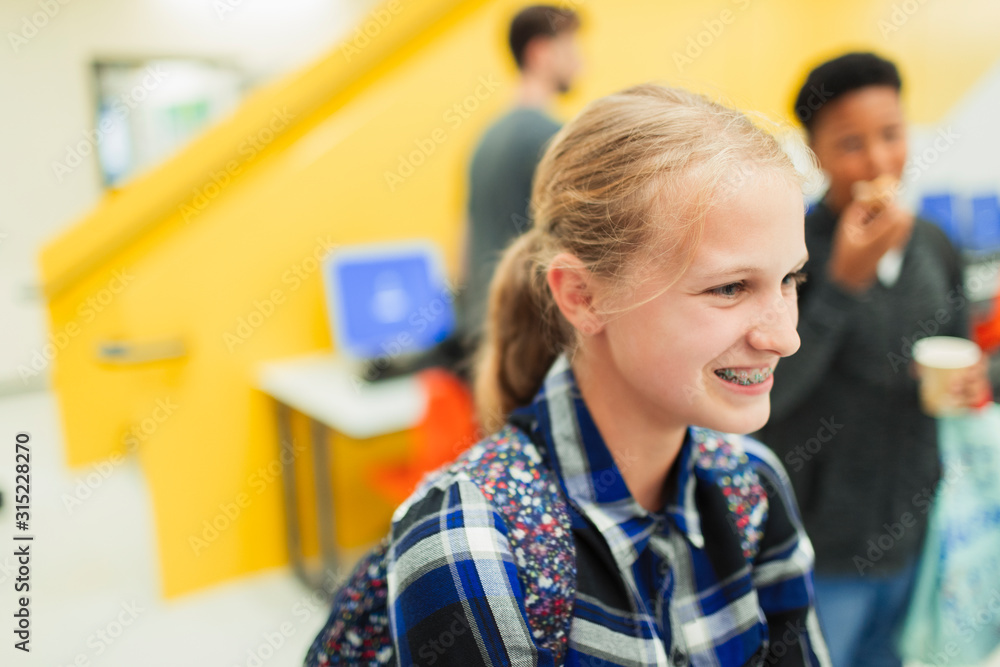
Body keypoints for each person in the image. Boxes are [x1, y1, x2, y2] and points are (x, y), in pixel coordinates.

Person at [387, 84, 830, 665]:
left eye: (790, 280)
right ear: (582, 296)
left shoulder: (753, 487)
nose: (784, 336)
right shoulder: (469, 542)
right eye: (729, 287)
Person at [757, 52, 996, 667]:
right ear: (815, 154)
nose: (880, 160)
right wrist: (840, 285)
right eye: (851, 144)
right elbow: (768, 395)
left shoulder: (933, 244)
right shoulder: (787, 252)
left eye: (891, 135)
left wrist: (978, 378)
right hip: (819, 542)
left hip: (916, 529)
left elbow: (968, 348)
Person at [451, 4, 583, 378]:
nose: (582, 61)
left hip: (484, 339)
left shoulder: (484, 140)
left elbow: (462, 244)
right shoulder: (550, 137)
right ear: (540, 53)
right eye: (572, 48)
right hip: (532, 345)